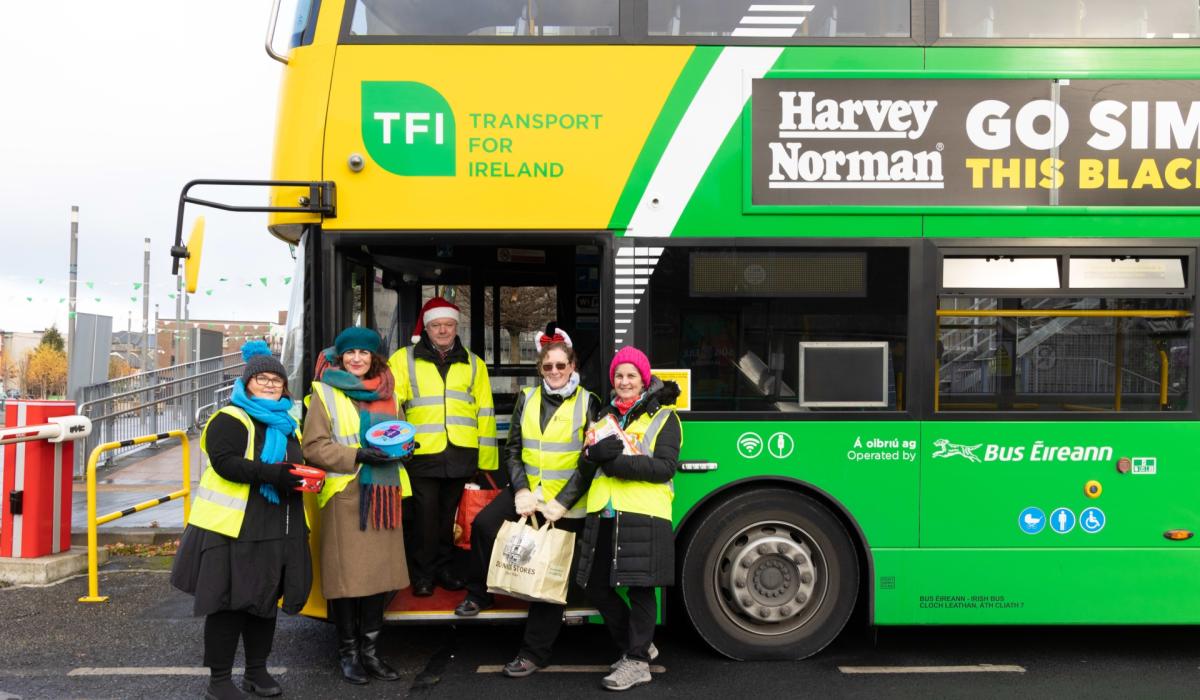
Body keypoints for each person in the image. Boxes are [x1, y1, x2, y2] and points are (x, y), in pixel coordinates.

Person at [453, 324, 599, 677]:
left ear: (572, 366)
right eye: (548, 366)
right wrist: (520, 490)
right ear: (540, 368)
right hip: (529, 491)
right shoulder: (528, 398)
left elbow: (589, 461)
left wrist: (562, 503)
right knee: (484, 525)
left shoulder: (589, 402)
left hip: (566, 501)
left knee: (549, 576)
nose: (554, 371)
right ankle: (480, 592)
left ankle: (534, 653)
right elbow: (513, 449)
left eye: (561, 365)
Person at [171, 340, 312, 700]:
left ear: (285, 387)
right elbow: (225, 463)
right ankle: (219, 680)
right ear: (247, 382)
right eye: (262, 378)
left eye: (276, 380)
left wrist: (305, 478)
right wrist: (274, 474)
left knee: (264, 603)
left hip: (277, 527)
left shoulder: (288, 424)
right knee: (228, 605)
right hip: (233, 529)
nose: (269, 384)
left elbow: (292, 467)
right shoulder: (230, 418)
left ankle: (256, 672)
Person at [570, 345, 682, 692]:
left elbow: (665, 468)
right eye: (619, 375)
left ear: (644, 380)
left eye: (631, 375)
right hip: (604, 510)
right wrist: (591, 457)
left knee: (641, 587)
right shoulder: (604, 417)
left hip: (644, 512)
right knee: (594, 585)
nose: (624, 381)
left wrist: (614, 463)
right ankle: (638, 646)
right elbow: (585, 465)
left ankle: (636, 662)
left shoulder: (664, 418)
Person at [302, 327, 410, 685]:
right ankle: (348, 654)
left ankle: (371, 654)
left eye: (364, 353)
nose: (357, 358)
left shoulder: (390, 392)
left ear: (374, 357)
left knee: (379, 578)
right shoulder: (325, 392)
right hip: (346, 495)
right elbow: (314, 447)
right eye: (350, 353)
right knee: (346, 581)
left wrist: (406, 449)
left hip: (384, 495)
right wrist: (358, 455)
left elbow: (396, 435)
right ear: (341, 356)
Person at [388, 297, 497, 597]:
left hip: (461, 454)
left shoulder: (474, 363)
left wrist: (486, 461)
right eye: (436, 325)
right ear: (427, 328)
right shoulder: (403, 359)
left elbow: (484, 412)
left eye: (448, 325)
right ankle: (423, 574)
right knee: (425, 517)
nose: (443, 330)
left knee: (451, 517)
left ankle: (445, 569)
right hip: (421, 453)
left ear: (456, 327)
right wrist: (395, 450)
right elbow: (393, 408)